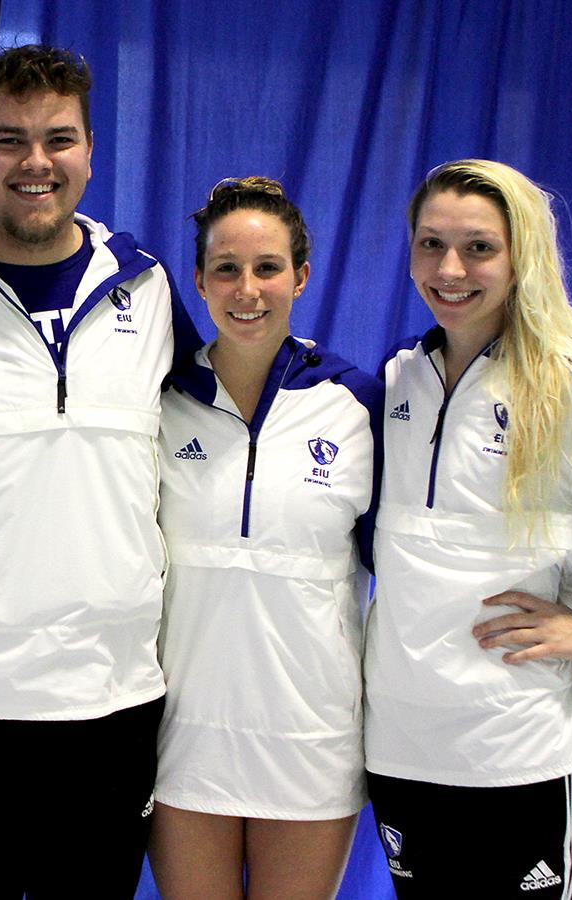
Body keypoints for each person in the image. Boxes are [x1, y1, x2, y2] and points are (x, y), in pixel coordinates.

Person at [0, 45, 198, 896]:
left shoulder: (148, 289)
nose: (36, 162)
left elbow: (227, 426)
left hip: (111, 700)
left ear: (90, 152)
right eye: (9, 139)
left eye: (58, 139)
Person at [365, 159, 572, 898]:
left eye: (479, 247)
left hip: (525, 750)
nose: (450, 270)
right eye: (431, 244)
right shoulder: (400, 380)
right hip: (402, 749)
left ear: (523, 256)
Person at [148, 177, 378, 898]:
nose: (247, 289)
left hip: (311, 740)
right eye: (227, 268)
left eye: (267, 268)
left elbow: (409, 563)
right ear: (199, 281)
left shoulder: (356, 405)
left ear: (301, 277)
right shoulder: (159, 402)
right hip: (184, 737)